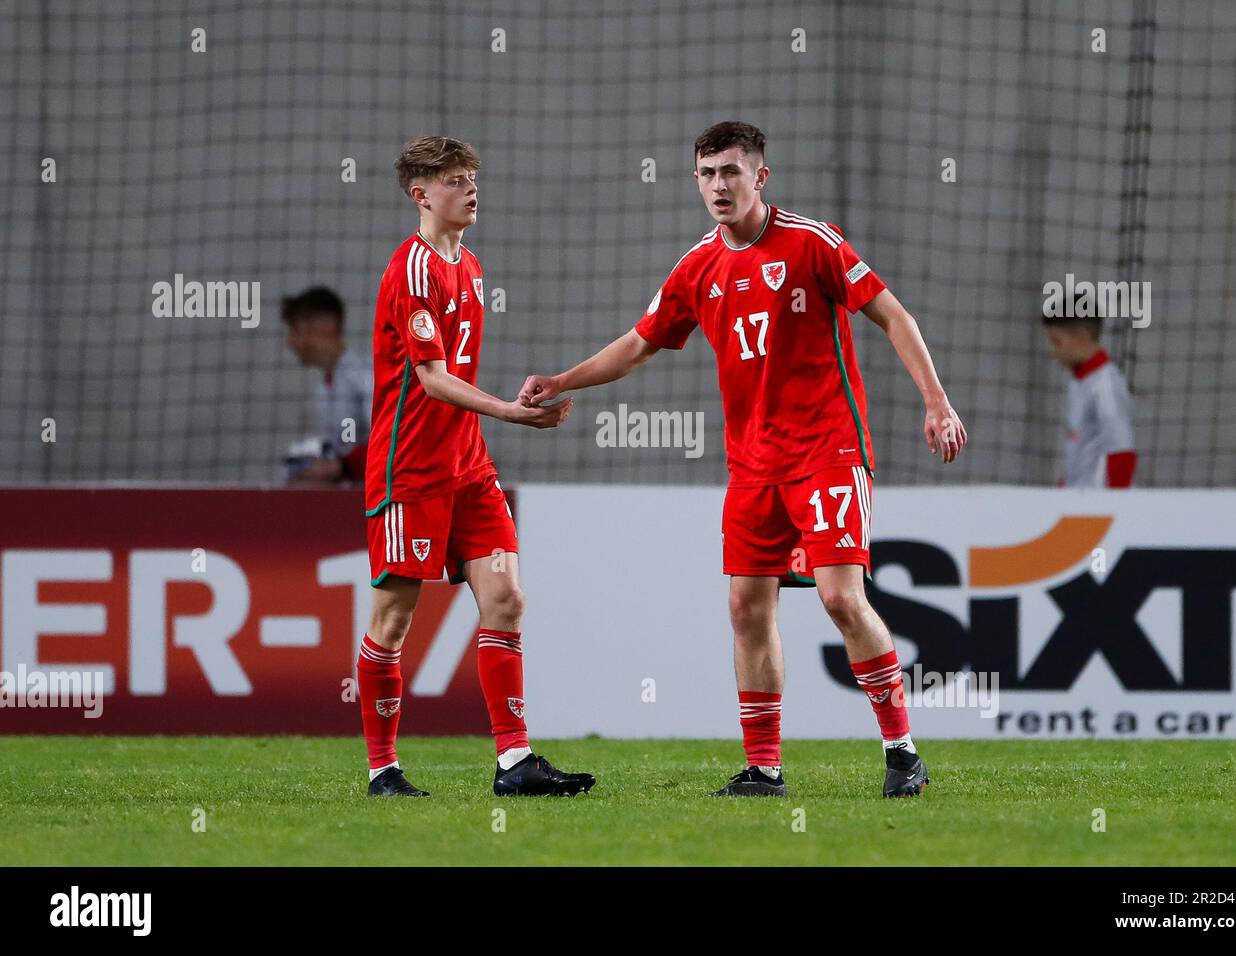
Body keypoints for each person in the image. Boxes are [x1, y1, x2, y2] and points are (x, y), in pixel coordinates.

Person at [520, 121, 967, 798]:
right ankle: (764, 769)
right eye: (706, 174)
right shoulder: (698, 266)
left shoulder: (813, 244)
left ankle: (903, 754)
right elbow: (639, 345)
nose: (718, 186)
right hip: (752, 468)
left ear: (761, 177)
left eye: (731, 172)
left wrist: (936, 402)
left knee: (842, 598)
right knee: (745, 609)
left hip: (828, 452)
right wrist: (562, 380)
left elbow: (894, 317)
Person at [360, 135, 595, 797]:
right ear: (421, 194)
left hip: (468, 467)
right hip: (410, 471)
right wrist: (510, 412)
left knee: (507, 598)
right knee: (395, 619)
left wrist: (496, 415)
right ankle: (383, 770)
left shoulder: (471, 266)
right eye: (456, 180)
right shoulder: (413, 271)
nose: (471, 190)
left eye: (472, 178)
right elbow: (431, 380)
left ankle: (514, 763)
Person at [282, 287, 372, 485]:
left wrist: (342, 467)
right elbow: (345, 448)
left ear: (327, 325)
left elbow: (394, 440)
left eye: (296, 330)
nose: (291, 342)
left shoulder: (365, 375)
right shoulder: (323, 391)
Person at [1042, 309, 1137, 487]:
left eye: (1057, 342)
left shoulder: (1105, 385)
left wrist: (1118, 506)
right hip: (1078, 500)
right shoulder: (1080, 382)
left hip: (1097, 505)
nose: (1054, 352)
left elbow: (1122, 452)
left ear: (1082, 337)